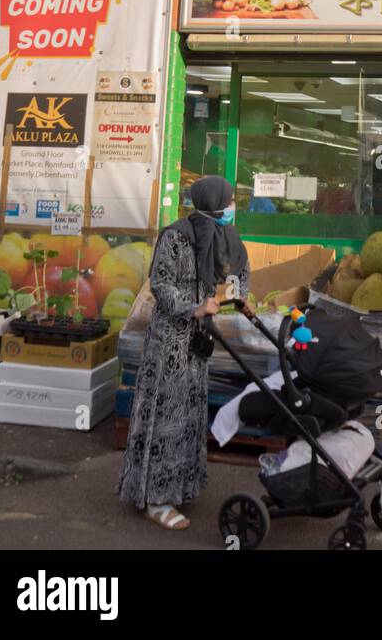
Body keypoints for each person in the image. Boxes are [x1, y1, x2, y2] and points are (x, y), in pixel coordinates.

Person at [117, 176, 249, 529]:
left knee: (189, 414)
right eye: (229, 199)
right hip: (170, 342)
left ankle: (181, 487)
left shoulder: (225, 236)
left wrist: (237, 294)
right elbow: (160, 283)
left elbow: (238, 270)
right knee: (166, 416)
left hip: (197, 343)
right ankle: (155, 499)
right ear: (214, 201)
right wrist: (194, 307)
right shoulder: (176, 236)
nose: (232, 206)